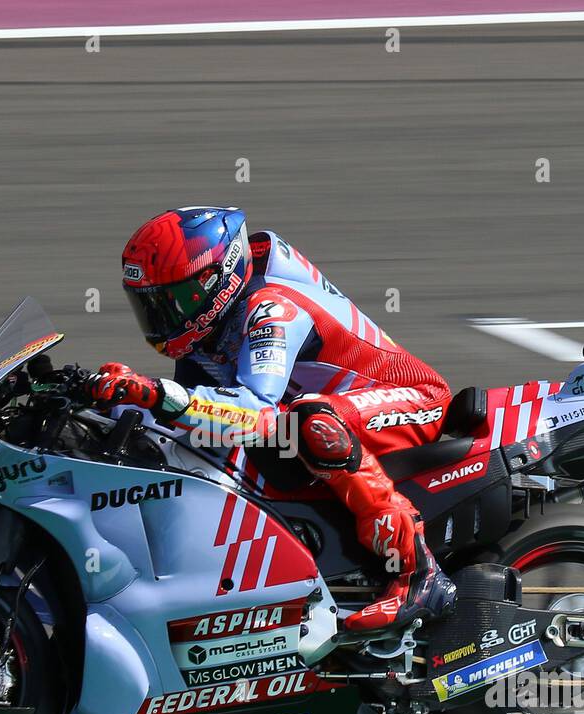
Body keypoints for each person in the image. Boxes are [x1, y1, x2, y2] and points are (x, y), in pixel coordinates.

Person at [92, 206, 455, 632]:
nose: (162, 318)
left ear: (217, 280)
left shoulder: (272, 309)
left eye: (174, 300)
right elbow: (196, 417)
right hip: (336, 411)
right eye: (150, 305)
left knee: (311, 421)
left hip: (413, 399)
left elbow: (256, 413)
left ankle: (419, 573)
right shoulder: (203, 333)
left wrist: (154, 393)